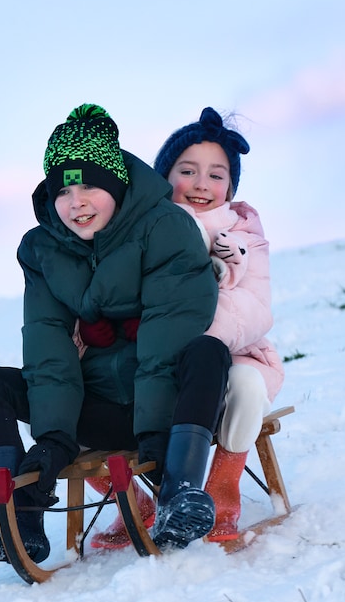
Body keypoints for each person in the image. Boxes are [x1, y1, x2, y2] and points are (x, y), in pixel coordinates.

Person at [0, 103, 229, 563]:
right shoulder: (41, 250)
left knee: (207, 352)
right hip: (94, 408)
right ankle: (15, 518)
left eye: (90, 184)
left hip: (169, 407)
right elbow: (48, 348)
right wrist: (53, 441)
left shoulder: (166, 228)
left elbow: (169, 333)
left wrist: (154, 431)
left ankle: (178, 495)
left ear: (115, 184)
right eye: (63, 189)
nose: (77, 202)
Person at [86, 107, 284, 547]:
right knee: (70, 397)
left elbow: (254, 311)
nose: (200, 184)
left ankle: (220, 492)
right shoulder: (133, 233)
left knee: (247, 384)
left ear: (230, 187)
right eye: (188, 170)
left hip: (224, 358)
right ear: (164, 175)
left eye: (216, 175)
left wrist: (190, 331)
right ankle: (138, 506)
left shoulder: (243, 238)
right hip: (147, 363)